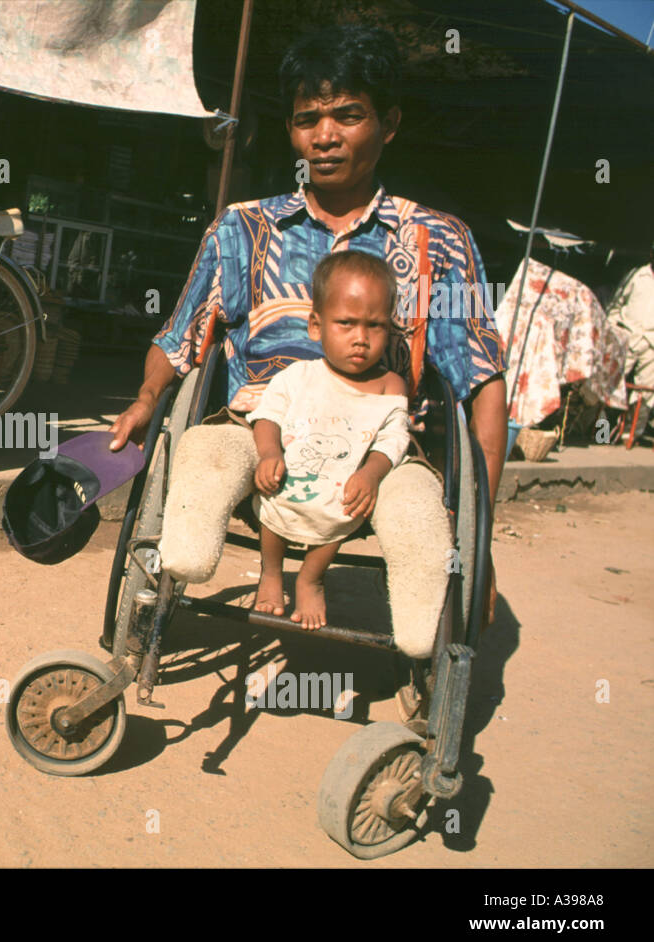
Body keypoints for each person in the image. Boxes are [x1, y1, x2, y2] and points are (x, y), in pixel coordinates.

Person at [107, 24, 509, 654]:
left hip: (380, 455)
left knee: (420, 533)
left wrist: (479, 541)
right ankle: (173, 584)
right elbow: (179, 337)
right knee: (201, 471)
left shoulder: (437, 242)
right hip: (256, 432)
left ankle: (422, 651)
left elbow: (481, 381)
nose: (324, 136)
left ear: (389, 122)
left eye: (348, 115)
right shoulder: (242, 229)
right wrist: (146, 395)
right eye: (307, 119)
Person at [250, 251, 410, 629]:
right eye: (346, 324)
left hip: (342, 485)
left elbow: (394, 438)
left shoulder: (389, 386)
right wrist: (269, 452)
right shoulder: (298, 376)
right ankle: (271, 572)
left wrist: (371, 473)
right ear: (316, 326)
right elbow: (267, 415)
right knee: (272, 506)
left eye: (376, 326)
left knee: (343, 515)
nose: (361, 339)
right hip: (290, 474)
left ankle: (310, 577)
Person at [608, 242, 654, 440]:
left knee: (646, 394)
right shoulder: (636, 276)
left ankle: (630, 435)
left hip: (651, 344)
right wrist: (615, 329)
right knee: (611, 386)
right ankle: (601, 433)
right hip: (628, 337)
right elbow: (616, 304)